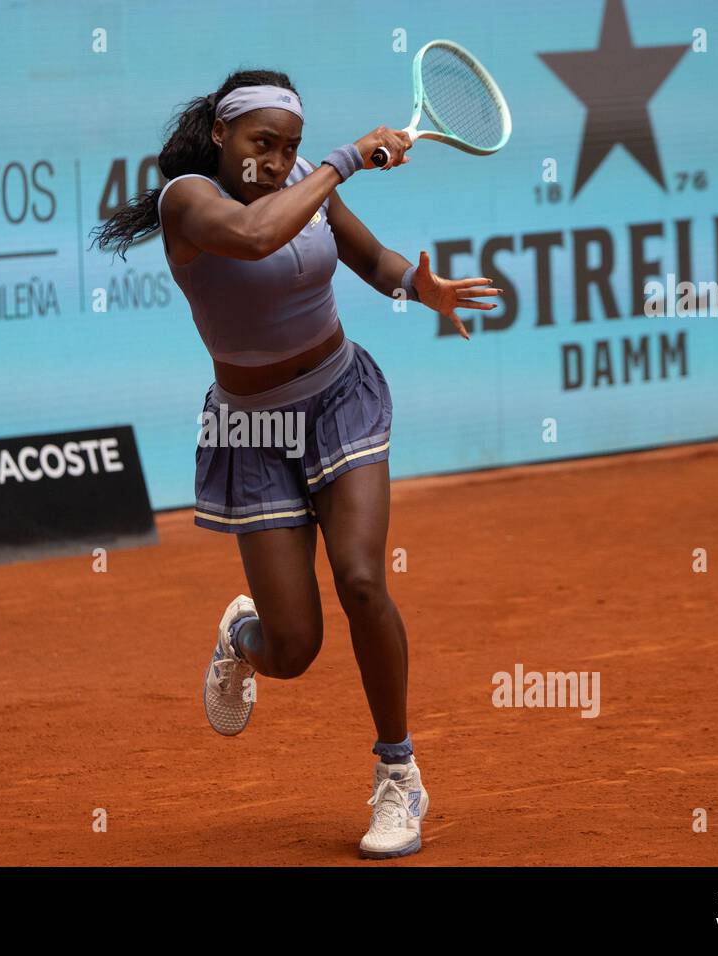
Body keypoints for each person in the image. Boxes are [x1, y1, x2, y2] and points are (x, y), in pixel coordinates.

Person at [90, 69, 501, 859]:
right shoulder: (188, 200)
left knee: (362, 579)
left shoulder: (309, 184)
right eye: (261, 144)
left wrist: (423, 288)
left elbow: (371, 259)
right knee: (296, 648)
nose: (276, 162)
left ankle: (398, 777)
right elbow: (254, 237)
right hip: (252, 435)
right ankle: (243, 638)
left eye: (289, 148)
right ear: (220, 135)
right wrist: (342, 160)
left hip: (340, 400)